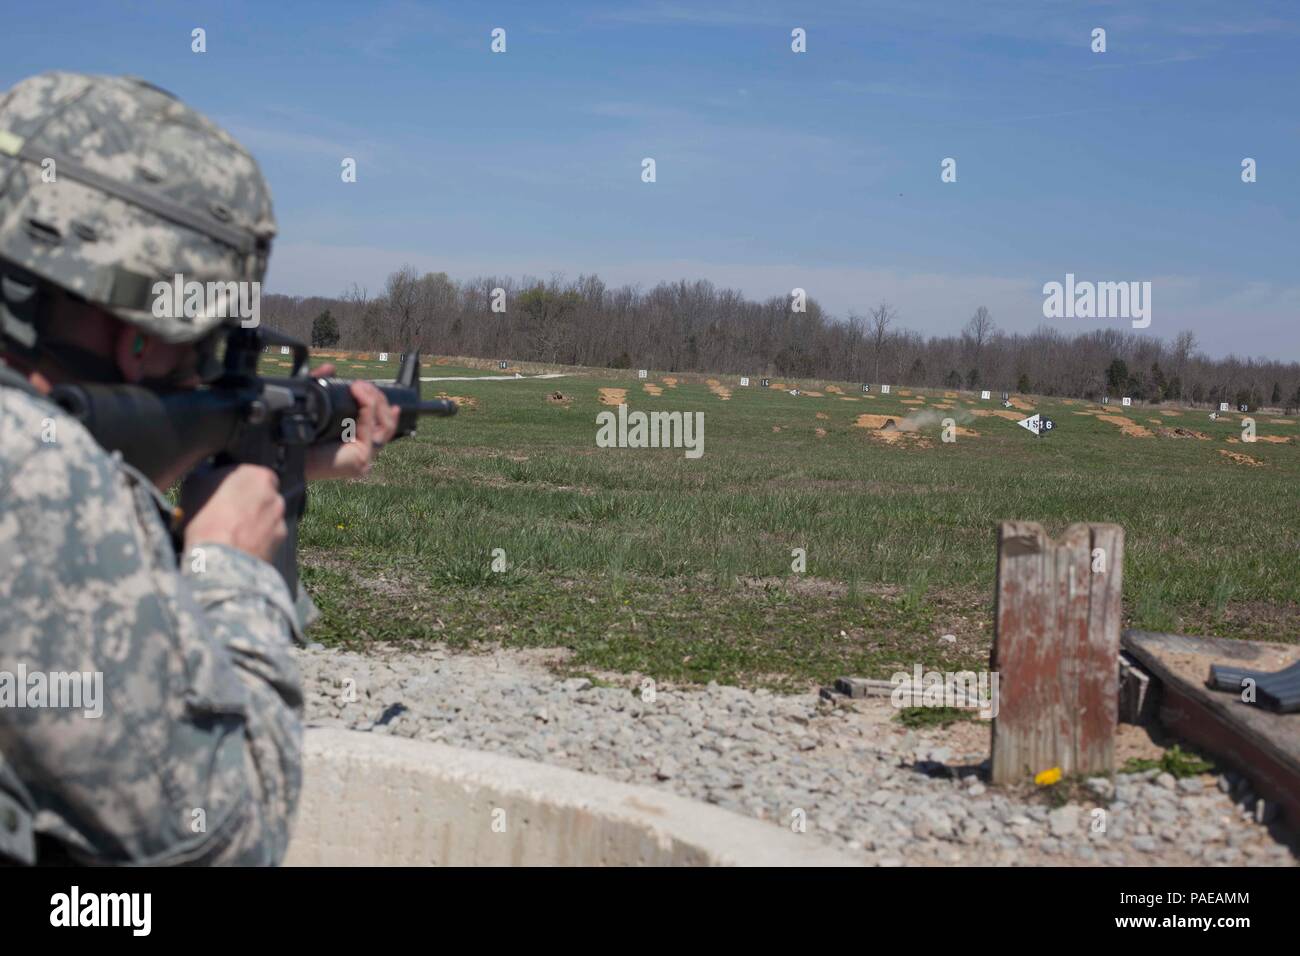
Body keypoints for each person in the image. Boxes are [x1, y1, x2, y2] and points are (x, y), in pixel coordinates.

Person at [0, 71, 397, 864]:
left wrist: (276, 461)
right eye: (206, 348)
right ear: (142, 337)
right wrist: (233, 570)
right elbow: (222, 841)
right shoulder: (43, 487)